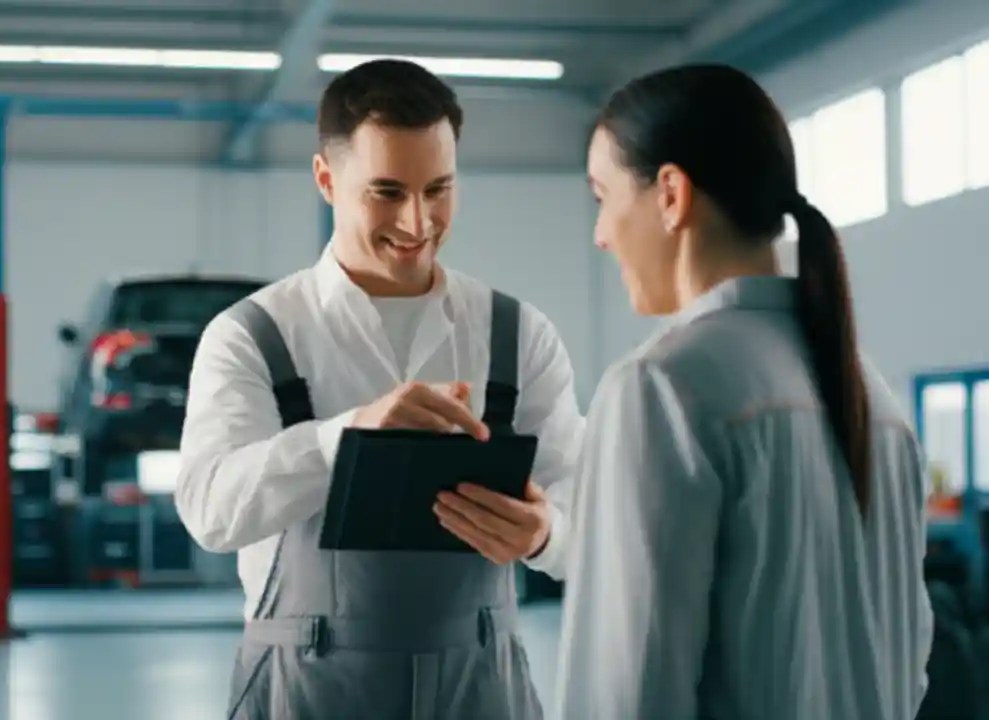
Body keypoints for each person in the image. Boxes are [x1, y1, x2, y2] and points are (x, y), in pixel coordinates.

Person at [175, 59, 583, 719]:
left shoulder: (516, 335)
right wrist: (344, 438)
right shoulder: (254, 335)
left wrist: (544, 535)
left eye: (439, 189)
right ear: (326, 180)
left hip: (481, 690)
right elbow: (210, 512)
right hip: (306, 692)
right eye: (387, 192)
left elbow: (590, 521)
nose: (417, 222)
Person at [555, 64, 934, 719]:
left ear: (670, 193)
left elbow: (623, 694)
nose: (601, 233)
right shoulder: (876, 399)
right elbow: (908, 669)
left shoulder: (662, 390)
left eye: (602, 196)